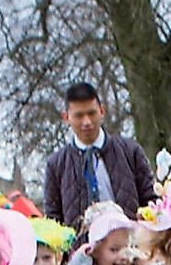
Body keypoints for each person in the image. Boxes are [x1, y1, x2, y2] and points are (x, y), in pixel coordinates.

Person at [43, 82, 156, 230]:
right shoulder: (56, 165)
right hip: (81, 250)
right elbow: (53, 221)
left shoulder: (130, 151)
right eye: (79, 116)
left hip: (130, 246)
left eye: (92, 113)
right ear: (66, 117)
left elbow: (151, 201)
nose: (87, 122)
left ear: (102, 111)